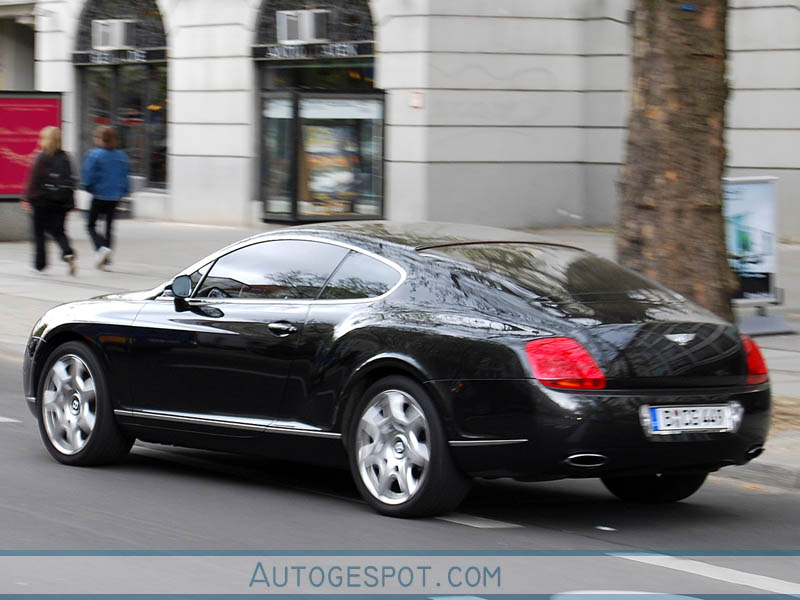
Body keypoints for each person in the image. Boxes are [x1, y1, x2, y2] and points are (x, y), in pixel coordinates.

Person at [21, 126, 77, 276]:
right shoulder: (66, 157)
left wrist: (27, 198)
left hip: (42, 201)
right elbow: (71, 181)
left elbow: (33, 180)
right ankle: (67, 252)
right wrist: (71, 202)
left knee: (38, 232)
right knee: (59, 230)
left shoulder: (41, 157)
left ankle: (40, 265)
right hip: (61, 201)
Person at [81, 125, 130, 270]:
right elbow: (125, 176)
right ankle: (106, 259)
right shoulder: (121, 156)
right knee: (109, 227)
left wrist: (88, 187)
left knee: (90, 225)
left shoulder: (94, 155)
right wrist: (123, 192)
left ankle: (101, 247)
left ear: (100, 139)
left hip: (99, 195)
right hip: (115, 197)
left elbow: (88, 175)